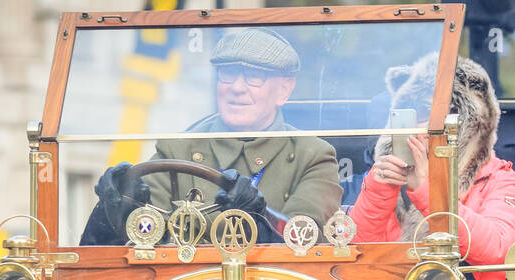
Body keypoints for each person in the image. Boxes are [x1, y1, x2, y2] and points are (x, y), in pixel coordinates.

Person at [80, 28, 342, 246]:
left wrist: (261, 217)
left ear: (284, 90)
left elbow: (303, 241)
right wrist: (118, 206)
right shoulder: (177, 149)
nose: (236, 89)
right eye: (227, 74)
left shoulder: (314, 156)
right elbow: (146, 236)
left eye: (254, 77)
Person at [352, 55, 515, 280]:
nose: (428, 123)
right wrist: (380, 187)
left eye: (446, 112)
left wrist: (427, 190)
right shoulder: (392, 175)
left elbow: (497, 248)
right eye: (418, 111)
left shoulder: (502, 179)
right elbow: (363, 255)